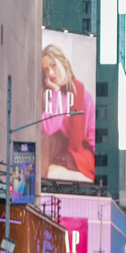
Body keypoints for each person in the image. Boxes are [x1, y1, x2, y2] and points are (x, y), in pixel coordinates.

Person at [41, 43, 96, 181]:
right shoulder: (47, 93)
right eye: (46, 70)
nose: (51, 73)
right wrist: (57, 93)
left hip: (77, 150)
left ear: (64, 63)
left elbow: (93, 137)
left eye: (54, 65)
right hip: (54, 147)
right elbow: (48, 128)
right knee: (47, 138)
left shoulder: (85, 97)